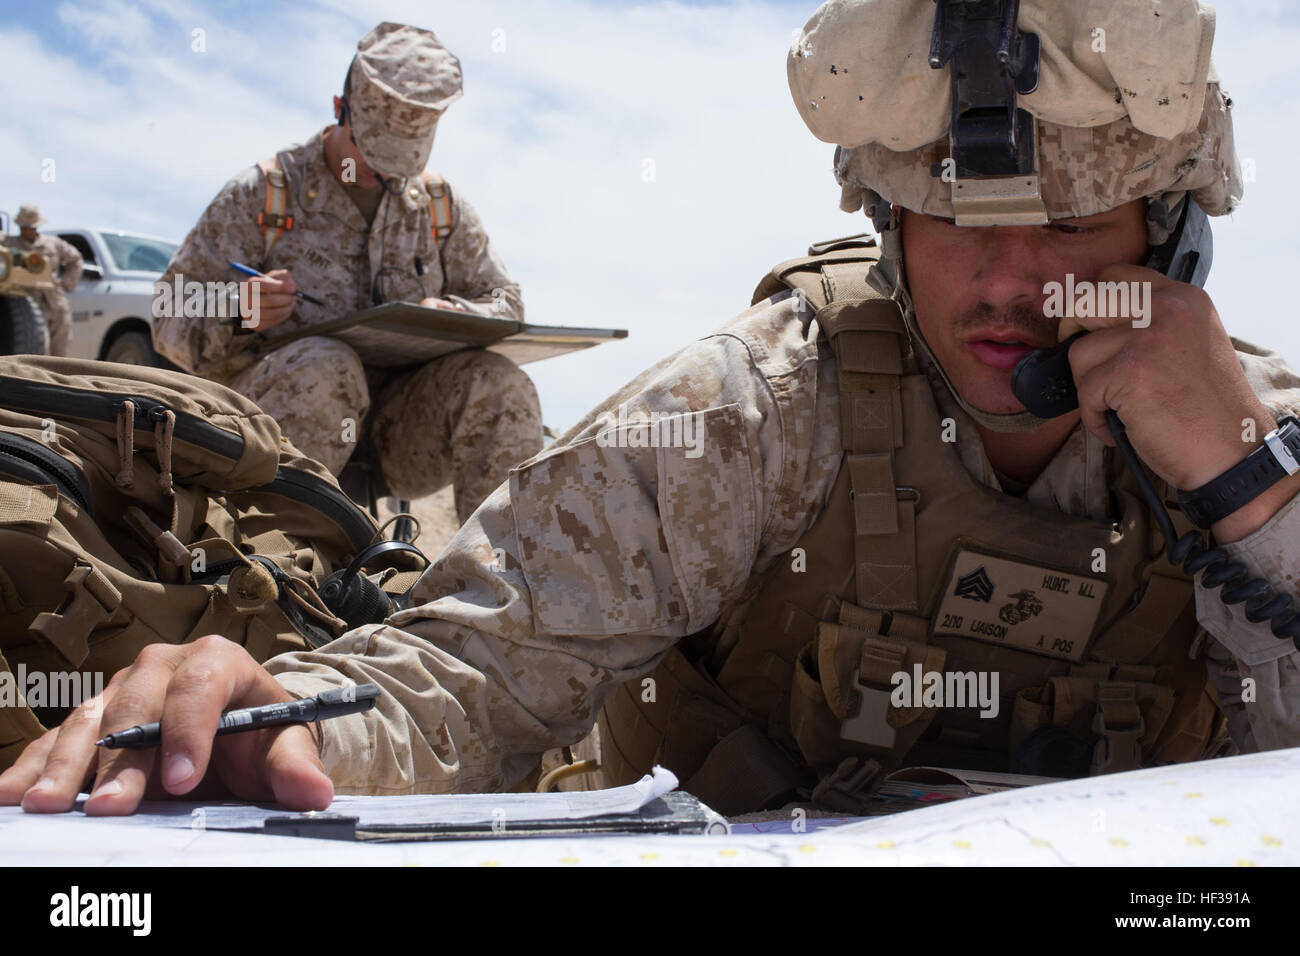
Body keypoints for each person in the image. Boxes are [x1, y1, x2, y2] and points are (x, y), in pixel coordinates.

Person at [5, 0, 1300, 817]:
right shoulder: (761, 407)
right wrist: (288, 722)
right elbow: (477, 672)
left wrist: (1251, 499)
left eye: (1073, 223)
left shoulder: (1262, 432)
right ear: (892, 228)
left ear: (1172, 237)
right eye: (955, 217)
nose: (1009, 279)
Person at [151, 21, 541, 526]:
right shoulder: (265, 191)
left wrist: (456, 313)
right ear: (341, 109)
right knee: (326, 365)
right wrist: (237, 307)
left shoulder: (440, 206)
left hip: (397, 434)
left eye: (401, 166)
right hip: (273, 428)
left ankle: (496, 583)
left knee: (501, 384)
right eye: (375, 161)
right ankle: (278, 562)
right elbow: (166, 312)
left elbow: (505, 300)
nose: (387, 177)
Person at [2, 204, 82, 356]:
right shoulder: (9, 242)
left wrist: (65, 282)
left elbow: (75, 259)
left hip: (56, 301)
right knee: (38, 351)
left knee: (61, 353)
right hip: (28, 302)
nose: (26, 231)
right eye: (23, 227)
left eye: (30, 227)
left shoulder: (53, 243)